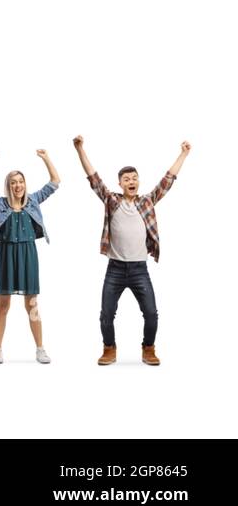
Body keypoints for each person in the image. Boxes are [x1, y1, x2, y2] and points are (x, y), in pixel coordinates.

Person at [73, 135, 190, 366]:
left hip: (139, 269)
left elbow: (167, 180)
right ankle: (109, 348)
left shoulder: (146, 201)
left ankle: (148, 348)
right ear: (120, 184)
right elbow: (93, 178)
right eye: (126, 179)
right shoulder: (112, 200)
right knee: (106, 314)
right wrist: (80, 149)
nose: (131, 181)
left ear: (138, 182)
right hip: (115, 269)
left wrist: (183, 154)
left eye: (134, 178)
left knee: (151, 313)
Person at [0, 148, 60, 364]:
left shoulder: (34, 200)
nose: (17, 185)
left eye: (20, 181)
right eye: (13, 182)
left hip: (28, 254)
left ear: (24, 184)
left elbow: (55, 181)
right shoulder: (0, 203)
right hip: (6, 255)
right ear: (8, 186)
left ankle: (40, 349)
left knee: (32, 305)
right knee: (3, 305)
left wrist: (46, 158)